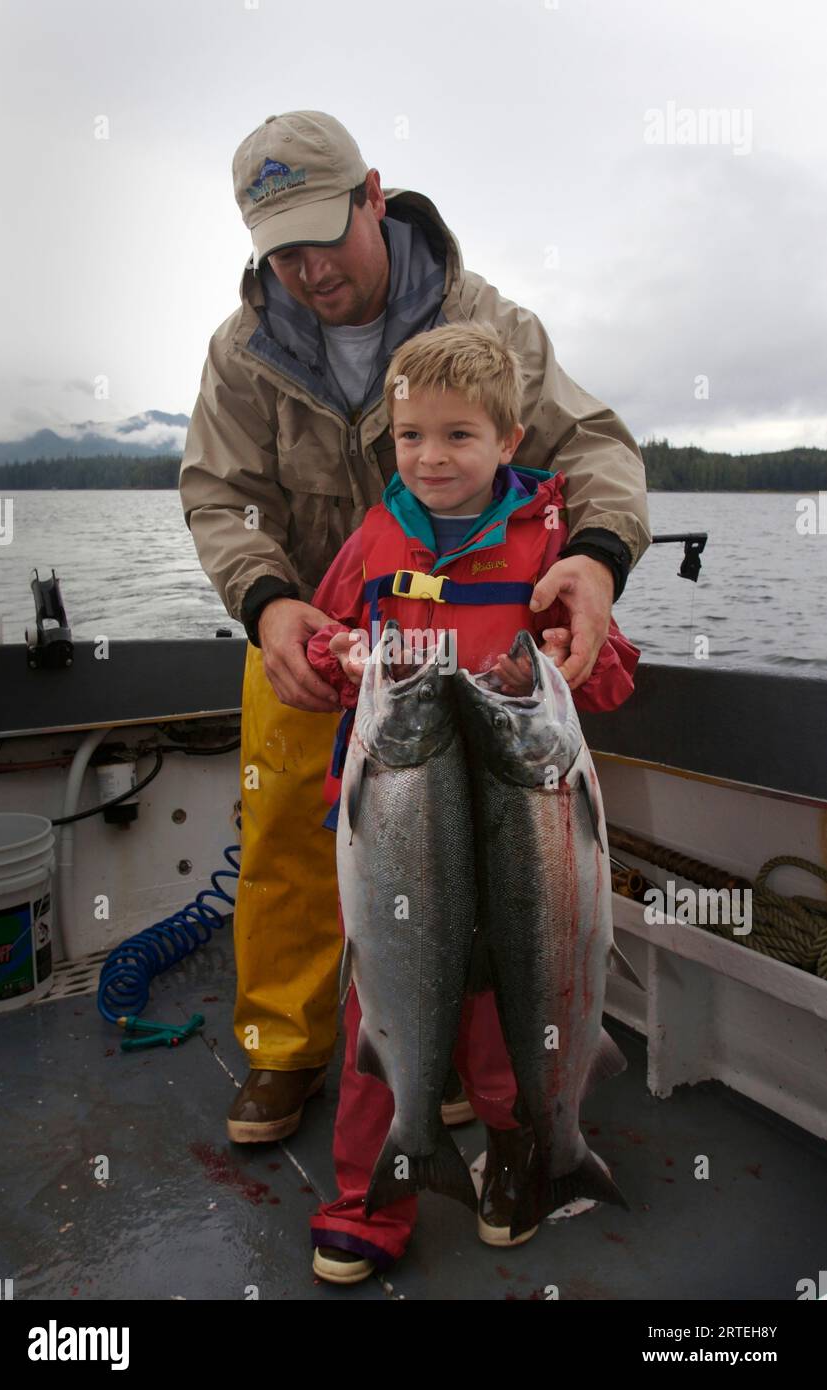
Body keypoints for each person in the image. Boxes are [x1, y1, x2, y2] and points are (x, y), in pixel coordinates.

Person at [179, 110, 650, 1144]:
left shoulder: (491, 323)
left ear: (373, 194)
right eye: (281, 249)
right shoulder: (242, 352)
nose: (308, 269)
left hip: (475, 648)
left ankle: (424, 1041)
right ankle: (282, 1049)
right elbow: (220, 494)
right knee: (289, 849)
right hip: (313, 632)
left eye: (322, 233)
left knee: (466, 867)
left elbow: (599, 448)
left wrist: (597, 557)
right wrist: (266, 604)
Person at [303, 323, 639, 1283]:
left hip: (513, 837)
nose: (431, 457)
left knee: (503, 1019)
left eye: (458, 435)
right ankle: (372, 1195)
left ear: (510, 436)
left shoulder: (551, 542)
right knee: (381, 1008)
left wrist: (585, 654)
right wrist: (341, 657)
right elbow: (329, 640)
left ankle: (521, 1152)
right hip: (389, 829)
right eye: (412, 437)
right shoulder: (372, 534)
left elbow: (604, 679)